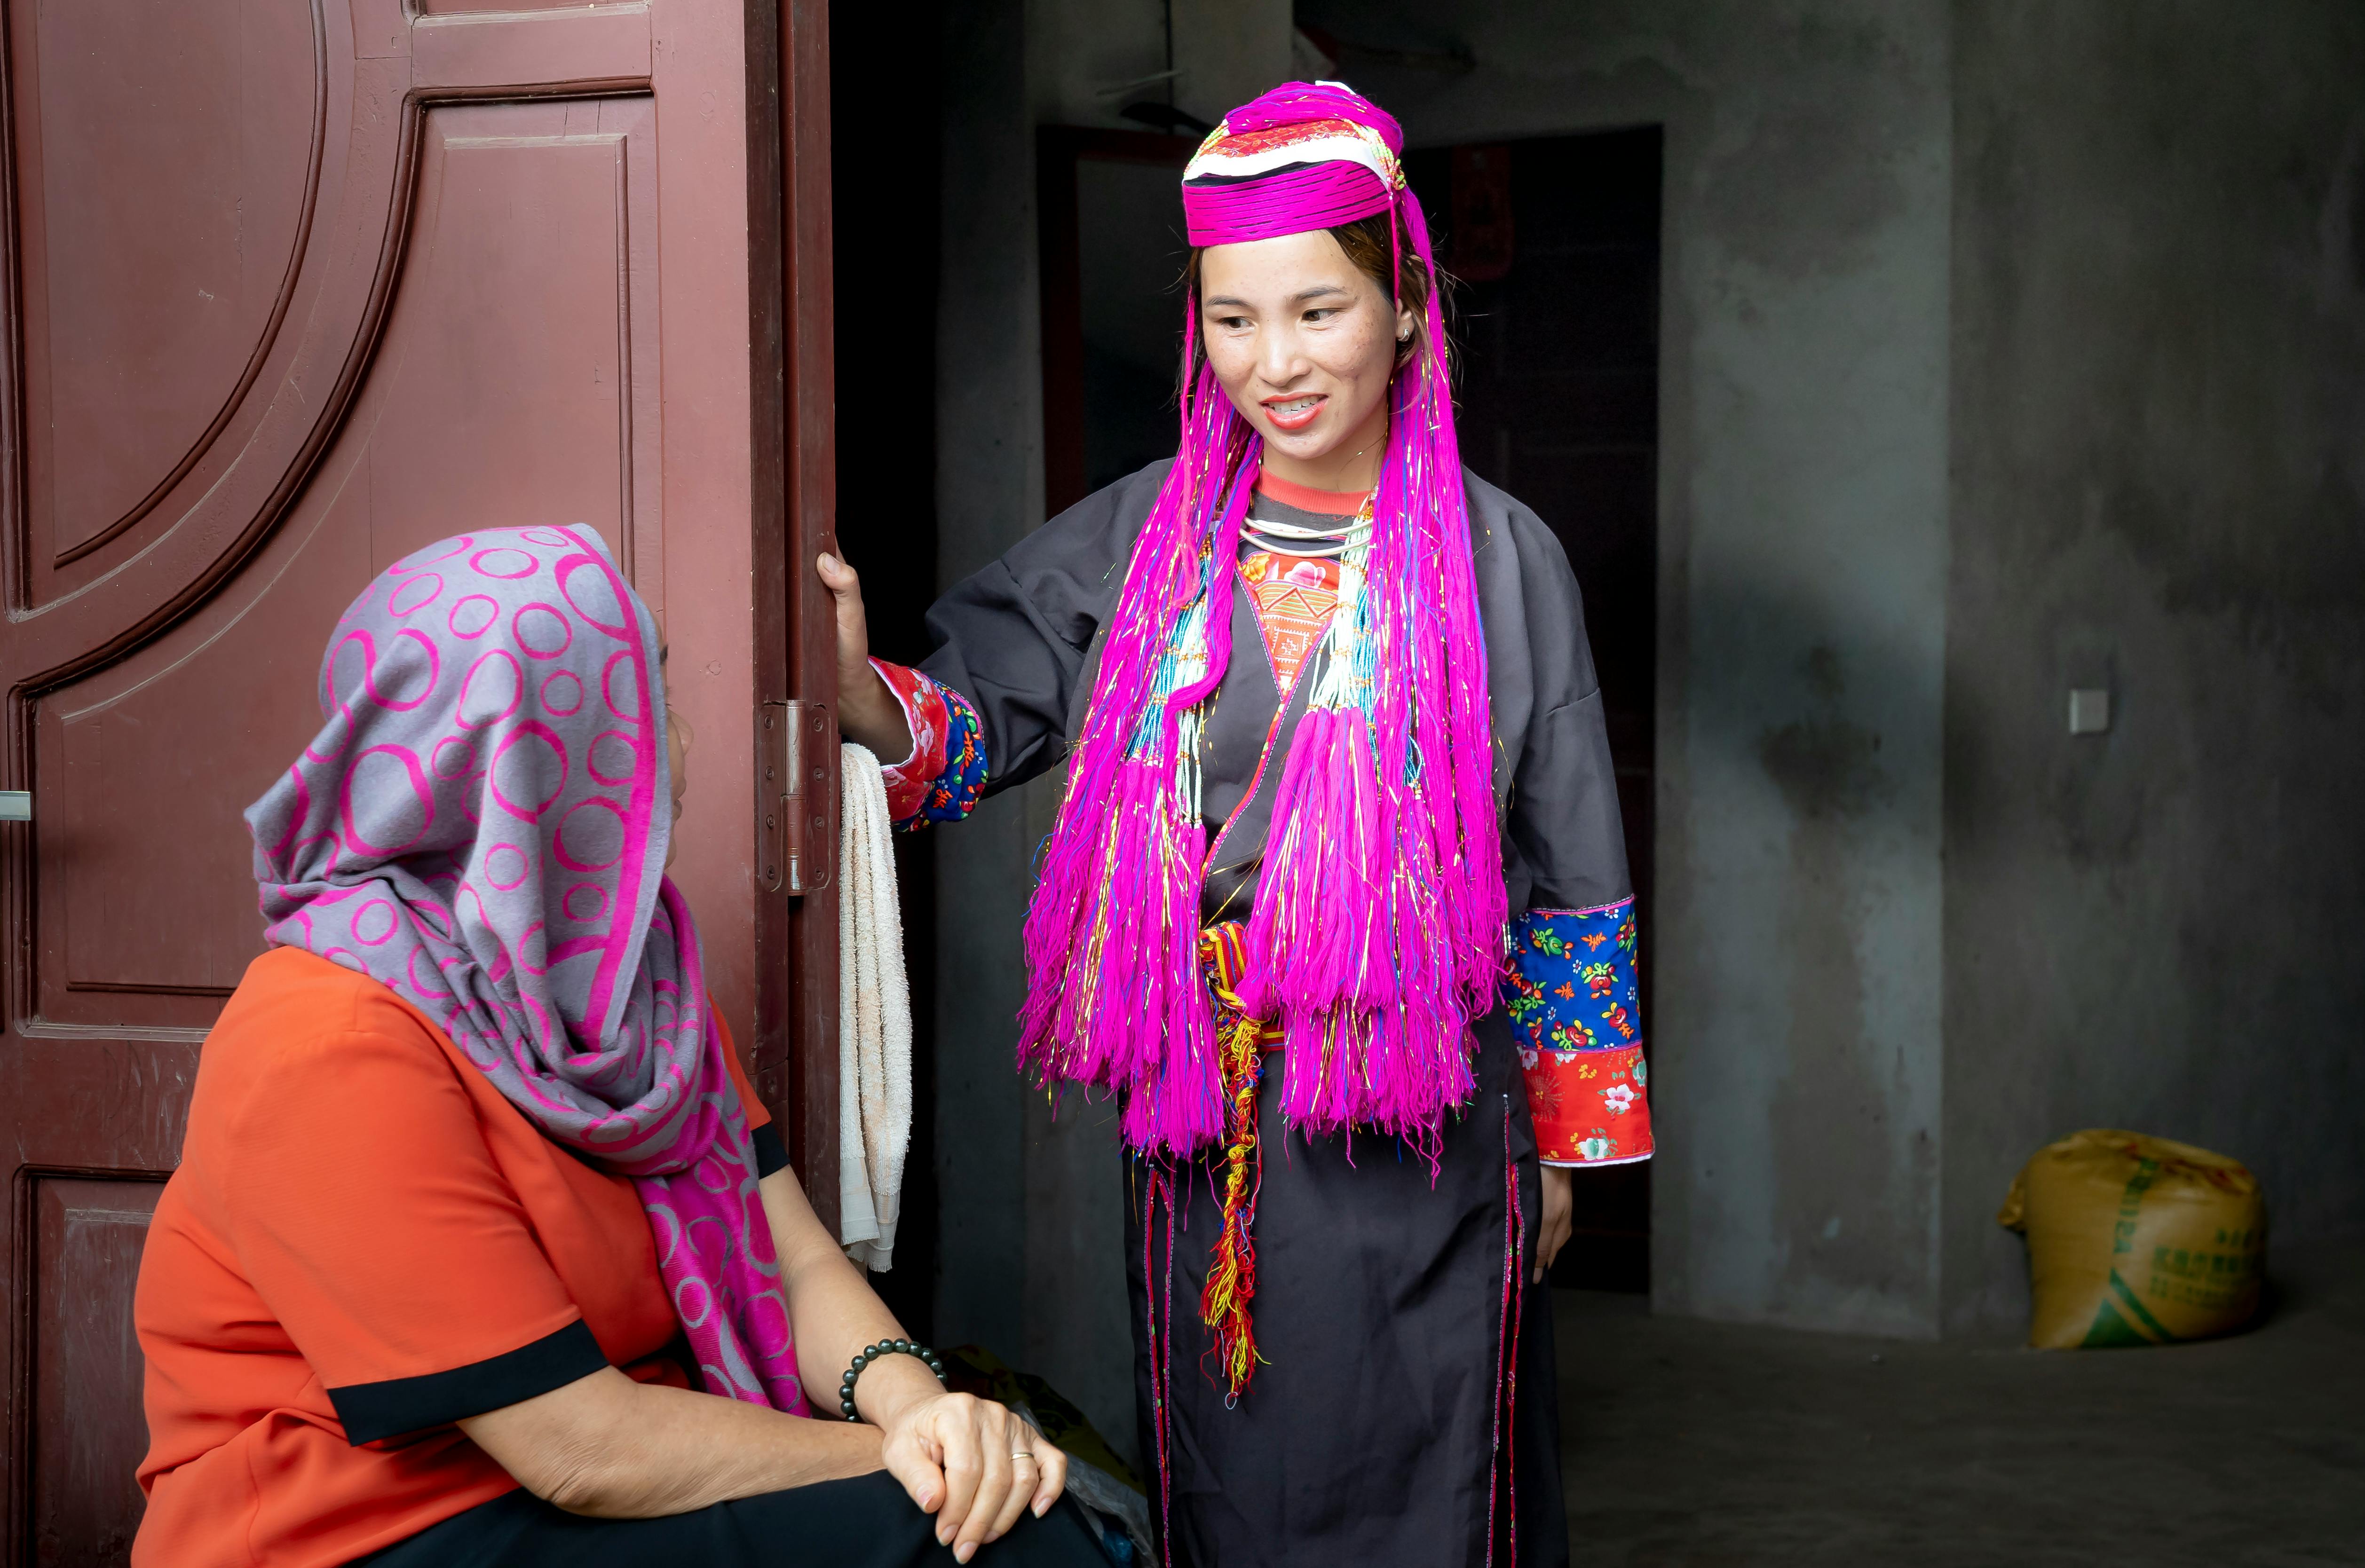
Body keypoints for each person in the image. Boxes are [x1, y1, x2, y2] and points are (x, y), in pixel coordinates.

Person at [819, 81, 1651, 1567]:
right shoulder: (1138, 541)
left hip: (1427, 1106)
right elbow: (969, 724)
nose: (1276, 362)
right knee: (1226, 1459)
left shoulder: (1498, 556)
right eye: (1233, 319)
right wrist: (851, 692)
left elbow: (1567, 857)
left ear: (1404, 304)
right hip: (1208, 1104)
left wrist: (1572, 1142)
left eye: (1318, 311)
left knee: (1441, 1463)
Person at [132, 525, 1106, 1568]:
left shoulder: (633, 976)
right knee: (994, 1542)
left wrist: (920, 1406)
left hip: (609, 1465)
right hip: (363, 1529)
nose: (682, 746)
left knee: (1018, 1519)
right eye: (642, 706)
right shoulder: (328, 1036)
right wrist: (902, 1457)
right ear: (521, 758)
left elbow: (794, 1256)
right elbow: (574, 1449)